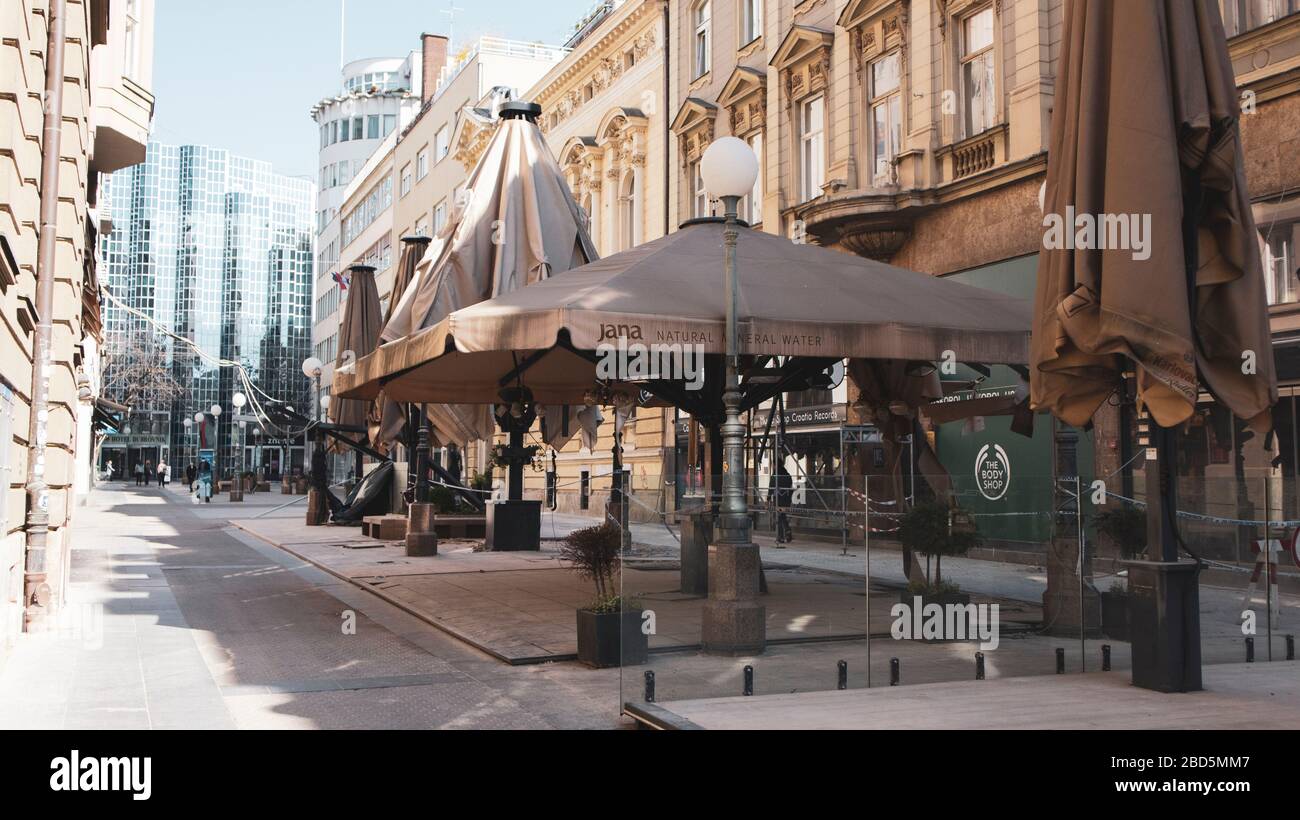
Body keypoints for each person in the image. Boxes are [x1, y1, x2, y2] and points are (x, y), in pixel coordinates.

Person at [775, 460, 793, 545]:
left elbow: (772, 486)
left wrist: (768, 498)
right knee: (783, 516)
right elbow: (790, 486)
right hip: (787, 499)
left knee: (779, 517)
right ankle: (787, 531)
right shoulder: (787, 474)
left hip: (779, 498)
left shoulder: (776, 474)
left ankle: (781, 537)